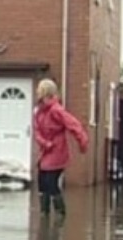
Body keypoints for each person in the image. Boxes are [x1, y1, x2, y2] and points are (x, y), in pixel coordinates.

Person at [32, 79, 88, 219]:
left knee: (51, 183)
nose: (38, 93)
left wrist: (82, 142)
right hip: (46, 151)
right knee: (42, 183)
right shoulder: (39, 111)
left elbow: (74, 125)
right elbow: (37, 131)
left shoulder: (56, 110)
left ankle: (60, 214)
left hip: (57, 151)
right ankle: (44, 214)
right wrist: (44, 143)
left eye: (40, 91)